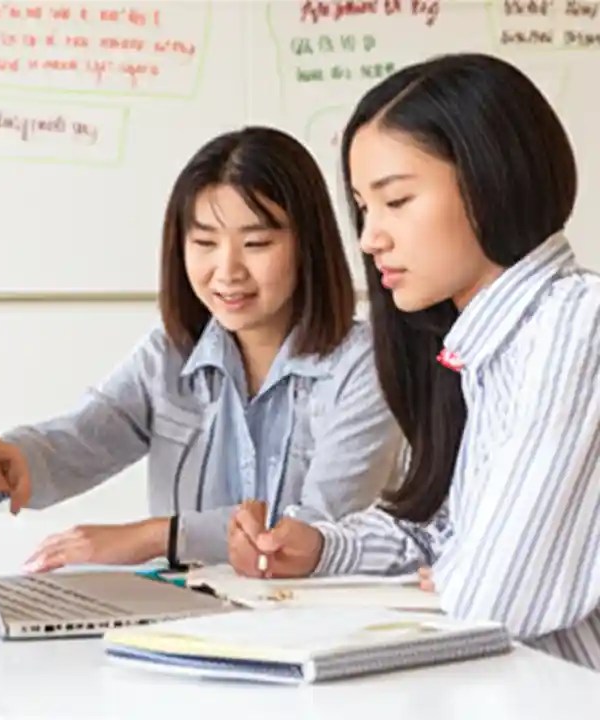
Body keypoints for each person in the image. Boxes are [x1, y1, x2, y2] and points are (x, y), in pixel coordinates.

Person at [229, 53, 600, 670]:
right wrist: (321, 547)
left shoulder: (574, 328)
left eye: (395, 201)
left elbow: (493, 603)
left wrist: (454, 573)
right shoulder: (479, 345)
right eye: (363, 208)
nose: (370, 237)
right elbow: (438, 532)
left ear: (491, 181)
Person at [0, 127, 403, 572]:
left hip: (323, 626)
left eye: (256, 244)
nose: (227, 271)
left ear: (309, 247)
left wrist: (158, 537)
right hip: (188, 620)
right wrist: (12, 460)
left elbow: (315, 528)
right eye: (204, 243)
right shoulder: (171, 354)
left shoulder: (367, 365)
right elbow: (85, 436)